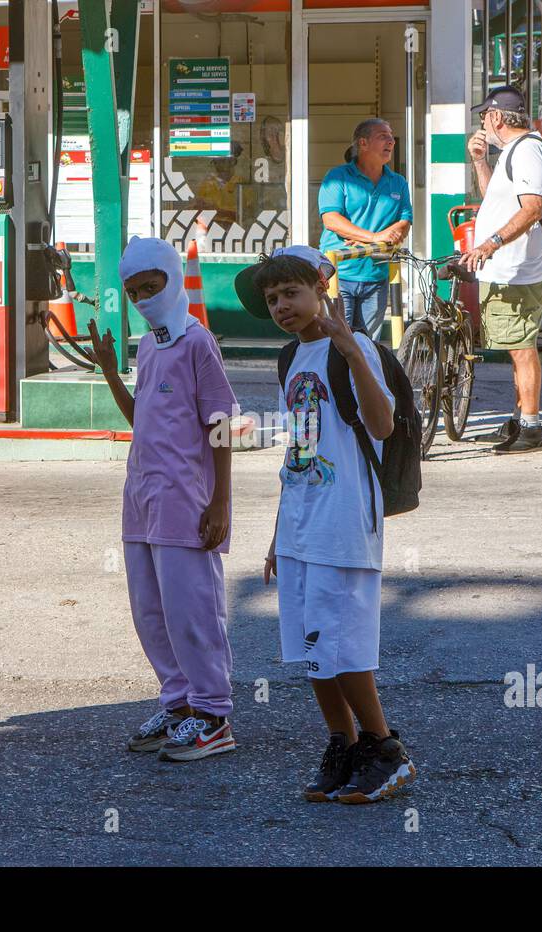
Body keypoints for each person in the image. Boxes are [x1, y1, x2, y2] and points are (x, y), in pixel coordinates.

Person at [239, 246, 417, 804]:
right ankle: (341, 742)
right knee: (311, 647)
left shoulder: (353, 347)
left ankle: (385, 749)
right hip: (300, 523)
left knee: (343, 647)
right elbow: (299, 447)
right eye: (272, 299)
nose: (282, 306)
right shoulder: (289, 359)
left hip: (343, 522)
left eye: (291, 292)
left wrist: (350, 350)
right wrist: (277, 531)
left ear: (321, 288)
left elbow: (384, 425)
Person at [88, 237, 238, 762]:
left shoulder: (198, 343)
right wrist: (110, 368)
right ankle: (179, 704)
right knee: (151, 611)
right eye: (133, 292)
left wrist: (219, 503)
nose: (144, 299)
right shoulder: (150, 346)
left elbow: (219, 425)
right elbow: (142, 421)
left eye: (151, 287)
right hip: (142, 498)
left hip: (186, 501)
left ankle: (213, 713)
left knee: (191, 609)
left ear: (173, 280)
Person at [460, 86, 542, 455]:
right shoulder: (513, 153)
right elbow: (494, 200)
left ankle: (531, 427)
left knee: (521, 347)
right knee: (516, 347)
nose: (483, 122)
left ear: (497, 117)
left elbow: (532, 208)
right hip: (505, 269)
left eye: (485, 116)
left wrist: (490, 244)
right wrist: (480, 162)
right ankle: (519, 421)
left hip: (518, 269)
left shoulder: (529, 150)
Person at [317, 118, 412, 340]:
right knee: (338, 343)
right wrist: (375, 237)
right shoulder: (337, 177)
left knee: (368, 345)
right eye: (383, 136)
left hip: (376, 274)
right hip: (339, 276)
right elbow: (331, 220)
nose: (391, 141)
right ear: (363, 143)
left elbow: (405, 220)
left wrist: (393, 234)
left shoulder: (398, 182)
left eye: (391, 136)